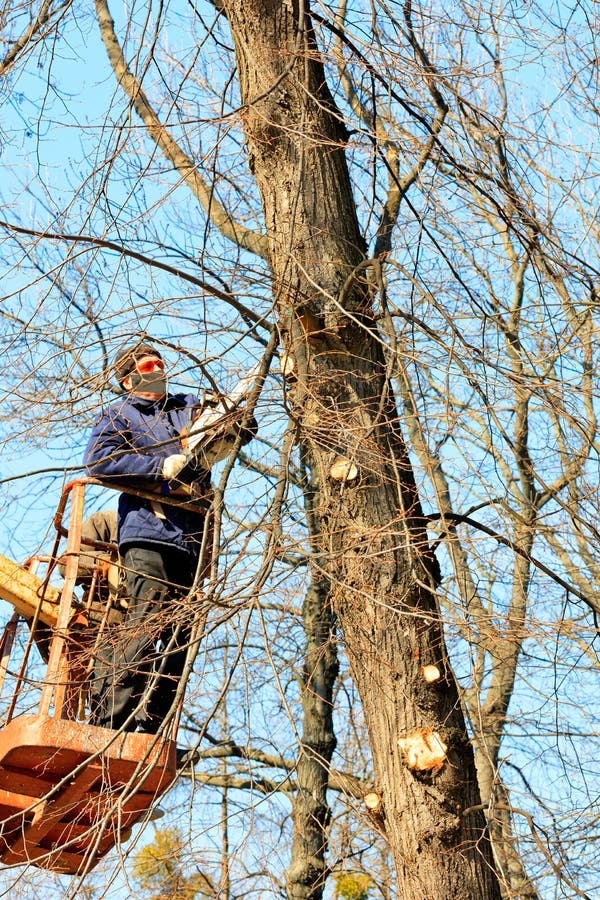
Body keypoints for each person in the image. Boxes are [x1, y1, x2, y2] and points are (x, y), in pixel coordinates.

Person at [83, 341, 212, 734]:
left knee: (181, 638)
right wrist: (159, 467)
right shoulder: (120, 415)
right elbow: (99, 460)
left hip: (192, 538)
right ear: (129, 379)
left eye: (160, 364)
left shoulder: (186, 405)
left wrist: (232, 419)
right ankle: (111, 722)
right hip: (149, 533)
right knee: (148, 622)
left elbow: (231, 425)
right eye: (149, 366)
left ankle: (154, 725)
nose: (158, 371)